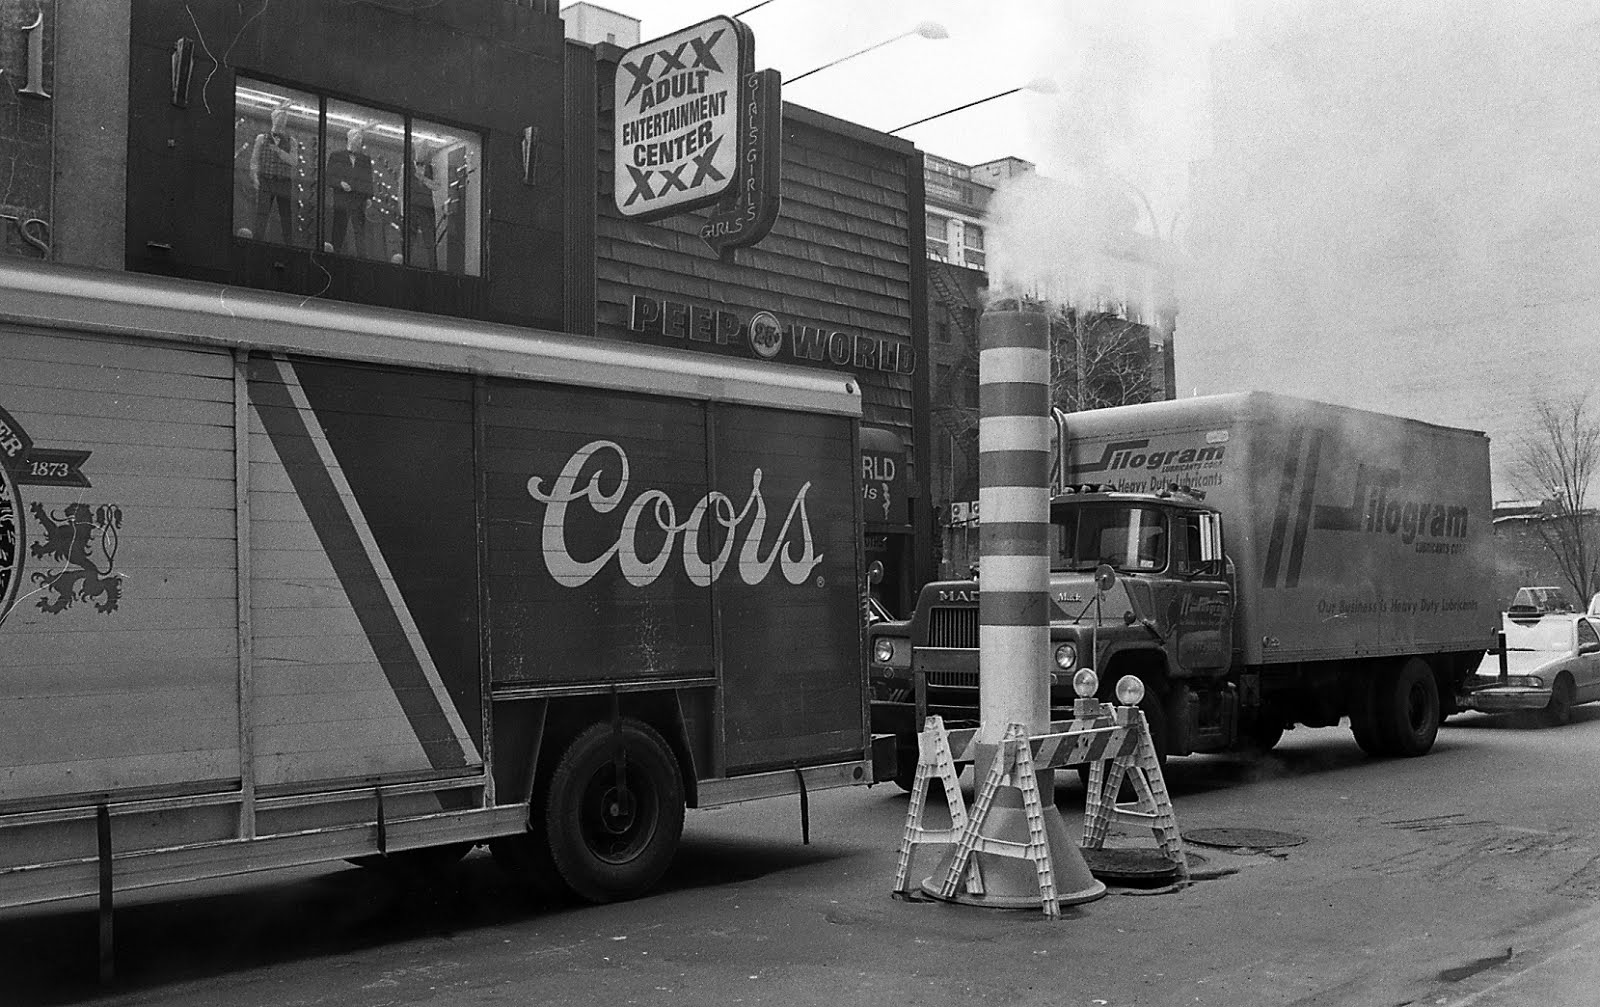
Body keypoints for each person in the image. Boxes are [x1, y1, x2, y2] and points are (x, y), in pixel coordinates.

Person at [249, 107, 299, 244]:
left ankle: (288, 244)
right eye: (279, 118)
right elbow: (254, 159)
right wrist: (254, 177)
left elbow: (294, 162)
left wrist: (279, 151)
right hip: (266, 179)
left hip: (283, 182)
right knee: (262, 213)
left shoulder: (291, 141)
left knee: (286, 215)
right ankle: (257, 242)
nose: (282, 121)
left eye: (284, 119)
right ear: (273, 118)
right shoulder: (261, 138)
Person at [325, 127, 374, 256]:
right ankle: (335, 253)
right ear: (350, 139)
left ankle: (361, 256)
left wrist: (369, 197)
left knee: (359, 229)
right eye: (357, 138)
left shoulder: (365, 160)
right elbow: (329, 176)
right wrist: (340, 183)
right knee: (339, 226)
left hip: (359, 198)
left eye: (361, 139)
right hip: (342, 198)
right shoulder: (336, 156)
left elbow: (369, 178)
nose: (359, 141)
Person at [407, 153, 446, 269]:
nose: (422, 151)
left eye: (424, 149)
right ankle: (407, 263)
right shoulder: (407, 166)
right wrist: (403, 209)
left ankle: (433, 267)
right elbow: (401, 188)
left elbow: (437, 186)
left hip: (427, 208)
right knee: (410, 239)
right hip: (412, 207)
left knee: (429, 240)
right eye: (420, 149)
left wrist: (423, 179)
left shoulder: (431, 168)